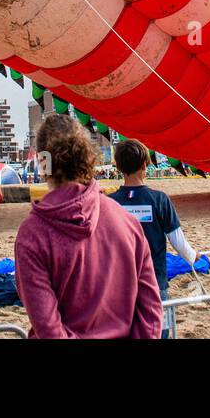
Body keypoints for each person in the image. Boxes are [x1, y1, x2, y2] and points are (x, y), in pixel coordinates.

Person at [15, 115, 162, 338]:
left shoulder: (32, 233)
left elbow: (48, 327)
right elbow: (151, 309)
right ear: (86, 155)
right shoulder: (125, 221)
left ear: (43, 162)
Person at [110, 138, 198, 338]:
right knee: (160, 331)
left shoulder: (109, 203)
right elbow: (178, 242)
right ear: (144, 165)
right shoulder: (159, 199)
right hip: (154, 283)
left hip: (118, 284)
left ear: (119, 167)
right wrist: (193, 257)